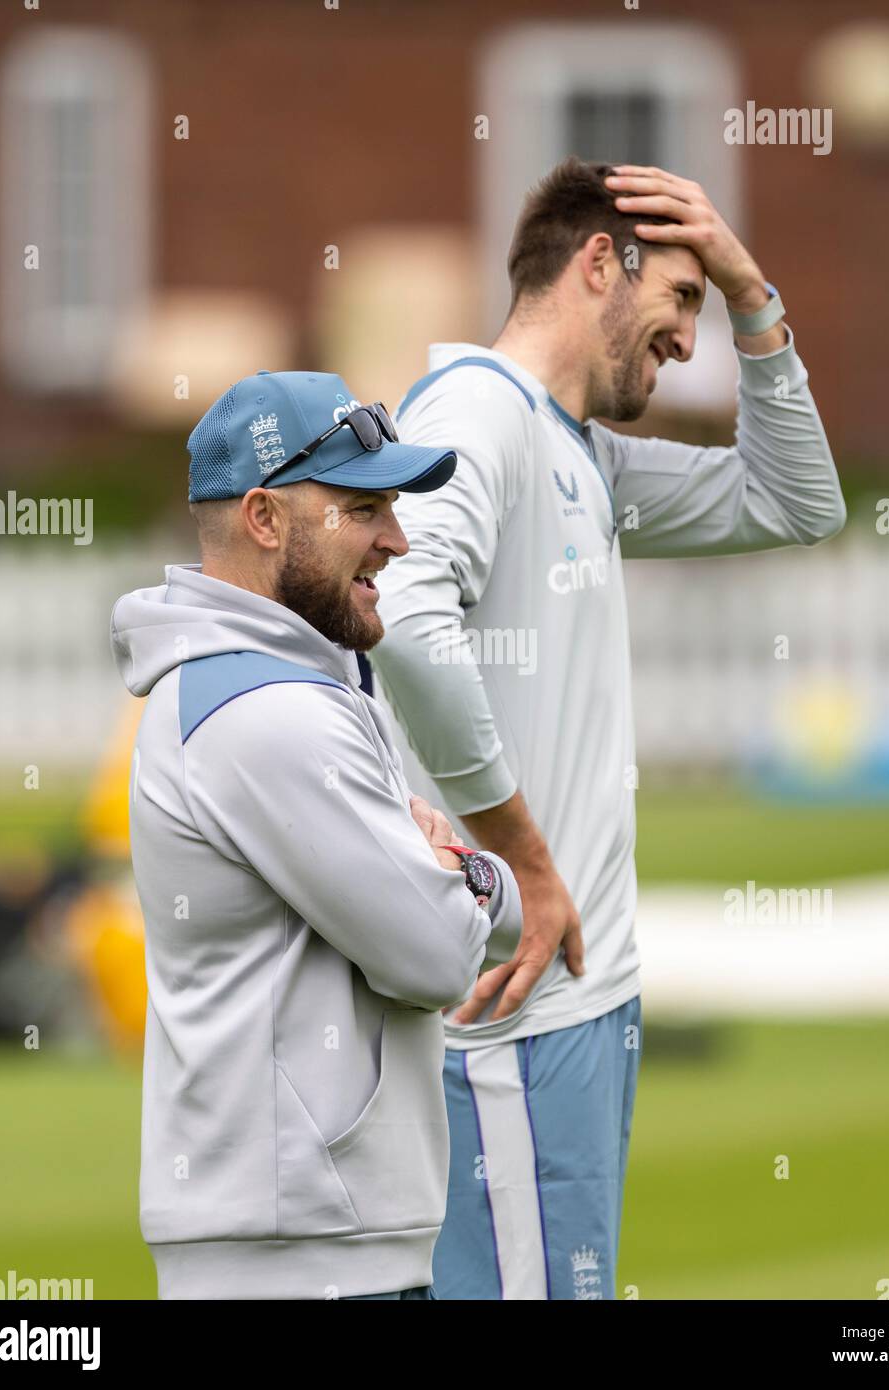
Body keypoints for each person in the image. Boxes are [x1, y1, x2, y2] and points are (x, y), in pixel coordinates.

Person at [368, 158, 847, 1300]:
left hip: (579, 1008)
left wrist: (751, 294)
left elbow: (799, 502)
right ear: (599, 263)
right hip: (517, 1016)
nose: (691, 337)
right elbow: (405, 616)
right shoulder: (479, 412)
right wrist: (527, 858)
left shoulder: (577, 445)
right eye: (683, 300)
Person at [110, 369, 523, 1300]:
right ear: (264, 518)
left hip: (306, 1244)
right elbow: (436, 953)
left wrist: (450, 874)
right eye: (364, 507)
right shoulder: (268, 708)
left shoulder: (276, 686)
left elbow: (438, 919)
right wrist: (481, 876)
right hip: (303, 1257)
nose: (397, 538)